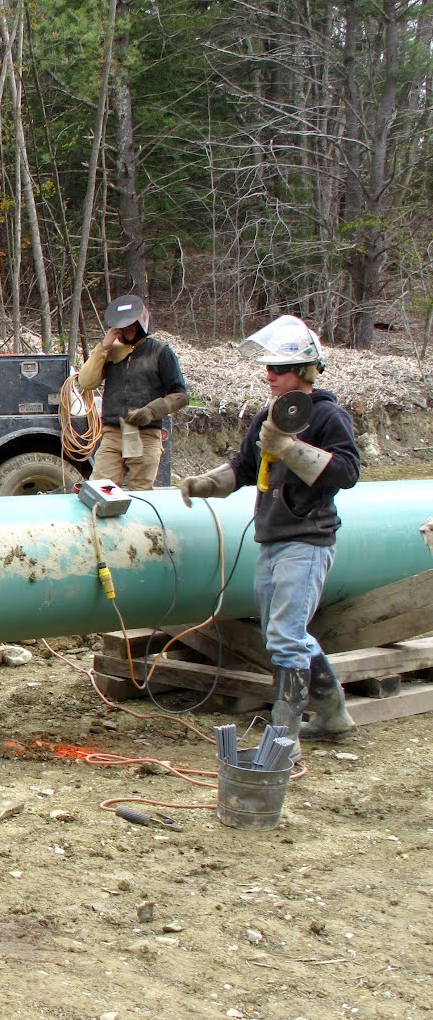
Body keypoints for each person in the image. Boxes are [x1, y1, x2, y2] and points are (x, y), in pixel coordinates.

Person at [177, 316, 361, 742]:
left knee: (285, 638)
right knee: (286, 633)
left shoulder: (327, 415)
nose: (270, 375)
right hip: (272, 538)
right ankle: (334, 715)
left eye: (279, 368)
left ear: (304, 370)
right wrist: (206, 484)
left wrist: (291, 449)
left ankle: (284, 736)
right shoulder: (268, 416)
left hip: (308, 540)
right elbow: (245, 467)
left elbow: (348, 471)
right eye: (268, 368)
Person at [75, 293, 187, 489]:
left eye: (132, 323)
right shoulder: (110, 353)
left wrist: (151, 411)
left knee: (141, 494)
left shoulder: (160, 352)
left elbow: (180, 396)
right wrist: (103, 347)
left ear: (141, 322)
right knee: (99, 491)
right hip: (113, 434)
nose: (127, 328)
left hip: (146, 435)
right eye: (123, 325)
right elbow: (86, 382)